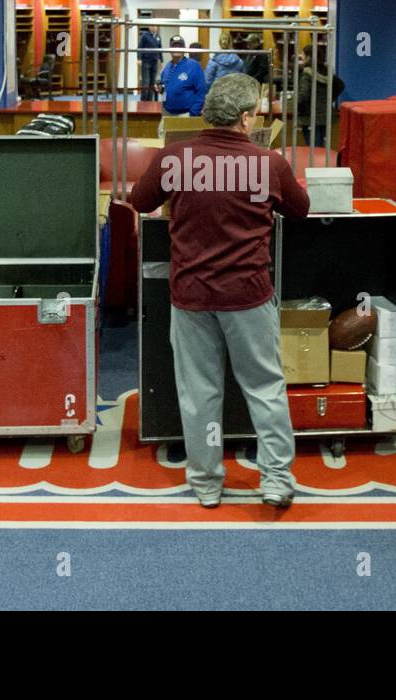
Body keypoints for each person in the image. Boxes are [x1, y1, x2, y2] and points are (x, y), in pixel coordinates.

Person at [129, 74, 310, 508]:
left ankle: (207, 483)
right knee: (265, 388)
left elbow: (138, 201)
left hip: (191, 295)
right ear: (246, 118)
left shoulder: (173, 159)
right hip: (248, 294)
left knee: (199, 394)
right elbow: (300, 211)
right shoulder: (270, 164)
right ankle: (276, 480)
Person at [294, 54, 344, 148]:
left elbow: (303, 95)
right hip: (325, 115)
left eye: (303, 56)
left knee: (314, 150)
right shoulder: (326, 72)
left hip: (310, 116)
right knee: (322, 149)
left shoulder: (307, 75)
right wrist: (328, 99)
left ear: (308, 58)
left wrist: (298, 110)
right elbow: (340, 85)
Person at [158, 35, 207, 116]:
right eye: (174, 46)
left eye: (179, 46)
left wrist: (192, 113)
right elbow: (164, 89)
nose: (177, 48)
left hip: (186, 115)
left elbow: (201, 92)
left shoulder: (193, 66)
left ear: (184, 49)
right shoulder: (167, 67)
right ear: (170, 49)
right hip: (167, 113)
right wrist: (160, 87)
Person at [138, 26, 162, 101]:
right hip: (146, 61)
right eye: (152, 26)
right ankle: (143, 100)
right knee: (146, 82)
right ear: (149, 27)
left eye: (155, 26)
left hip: (154, 62)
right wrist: (139, 58)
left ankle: (149, 100)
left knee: (152, 82)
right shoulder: (145, 36)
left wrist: (161, 60)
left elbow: (160, 49)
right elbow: (140, 47)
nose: (154, 27)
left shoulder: (158, 37)